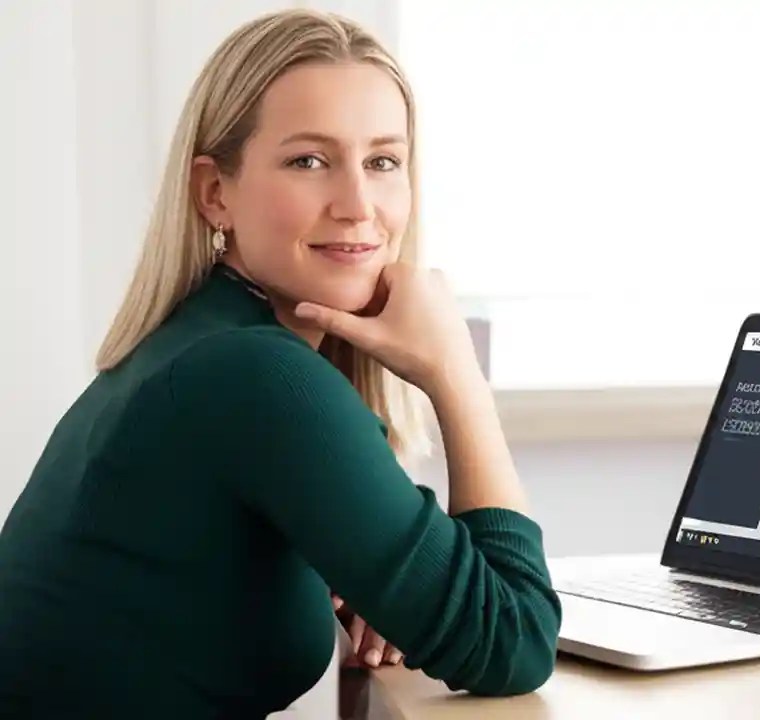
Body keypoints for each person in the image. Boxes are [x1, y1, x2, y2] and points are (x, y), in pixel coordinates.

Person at [0, 9, 559, 717]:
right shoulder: (257, 375)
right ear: (215, 193)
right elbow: (515, 642)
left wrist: (373, 577)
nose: (359, 205)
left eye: (383, 161)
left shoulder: (199, 344)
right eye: (309, 161)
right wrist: (456, 374)